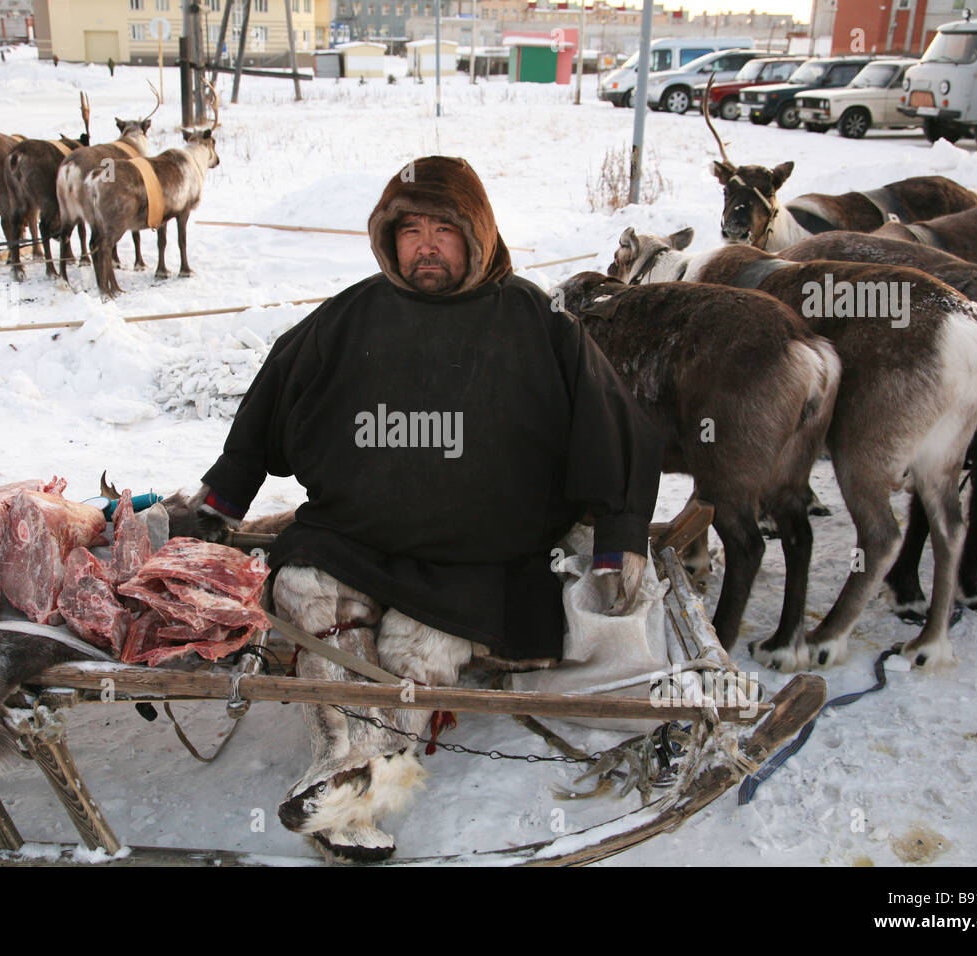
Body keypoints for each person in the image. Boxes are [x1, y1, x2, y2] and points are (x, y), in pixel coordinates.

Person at [180, 156, 663, 862]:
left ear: (478, 236)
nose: (426, 245)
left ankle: (354, 786)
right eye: (411, 230)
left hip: (480, 562)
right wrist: (221, 502)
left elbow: (615, 423)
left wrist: (621, 535)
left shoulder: (536, 319)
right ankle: (349, 772)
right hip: (350, 541)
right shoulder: (349, 316)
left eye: (444, 228)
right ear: (388, 237)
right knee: (304, 588)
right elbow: (269, 403)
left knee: (412, 643)